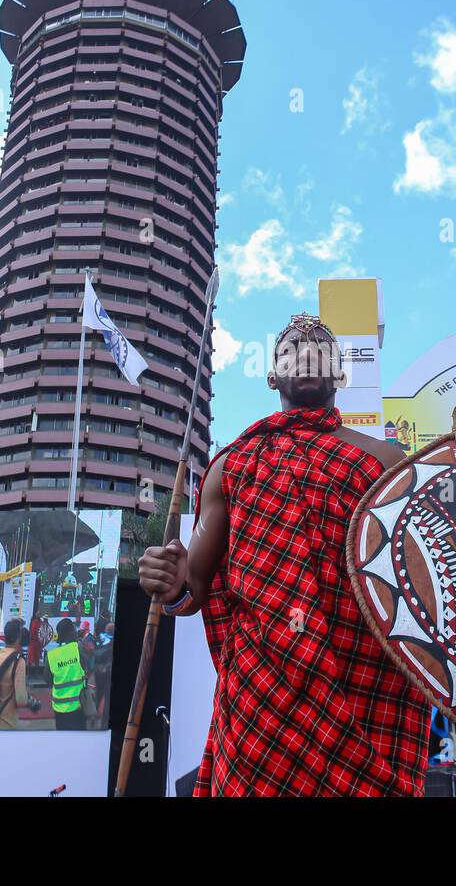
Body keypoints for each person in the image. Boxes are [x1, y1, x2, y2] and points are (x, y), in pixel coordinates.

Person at [139, 313, 429, 796]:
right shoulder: (232, 464)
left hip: (367, 684)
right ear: (272, 374)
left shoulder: (387, 461)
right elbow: (193, 588)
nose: (309, 355)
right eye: (295, 348)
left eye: (322, 350)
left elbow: (423, 581)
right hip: (261, 695)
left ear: (340, 373)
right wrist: (169, 581)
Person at [0, 618, 38, 729]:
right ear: (19, 638)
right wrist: (33, 702)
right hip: (8, 722)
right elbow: (21, 699)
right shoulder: (19, 661)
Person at [44, 617, 87, 730]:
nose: (76, 631)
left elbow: (47, 679)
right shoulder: (78, 648)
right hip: (78, 705)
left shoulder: (51, 655)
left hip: (59, 708)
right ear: (69, 632)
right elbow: (89, 666)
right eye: (73, 629)